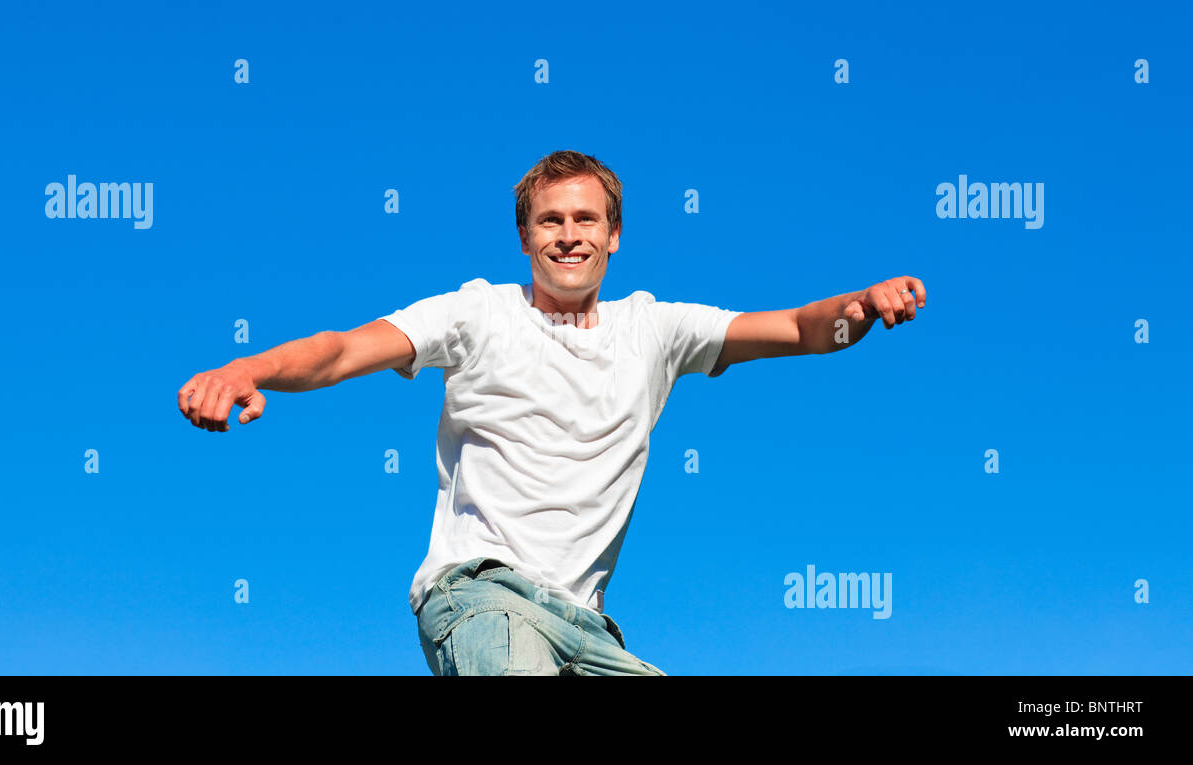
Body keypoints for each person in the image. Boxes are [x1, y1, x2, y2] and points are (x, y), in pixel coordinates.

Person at [177, 150, 927, 675]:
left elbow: (798, 327)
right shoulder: (477, 314)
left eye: (585, 219)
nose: (569, 234)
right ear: (525, 237)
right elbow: (342, 350)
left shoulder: (655, 329)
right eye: (549, 221)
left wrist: (858, 308)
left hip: (589, 628)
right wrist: (248, 367)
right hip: (482, 594)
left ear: (613, 235)